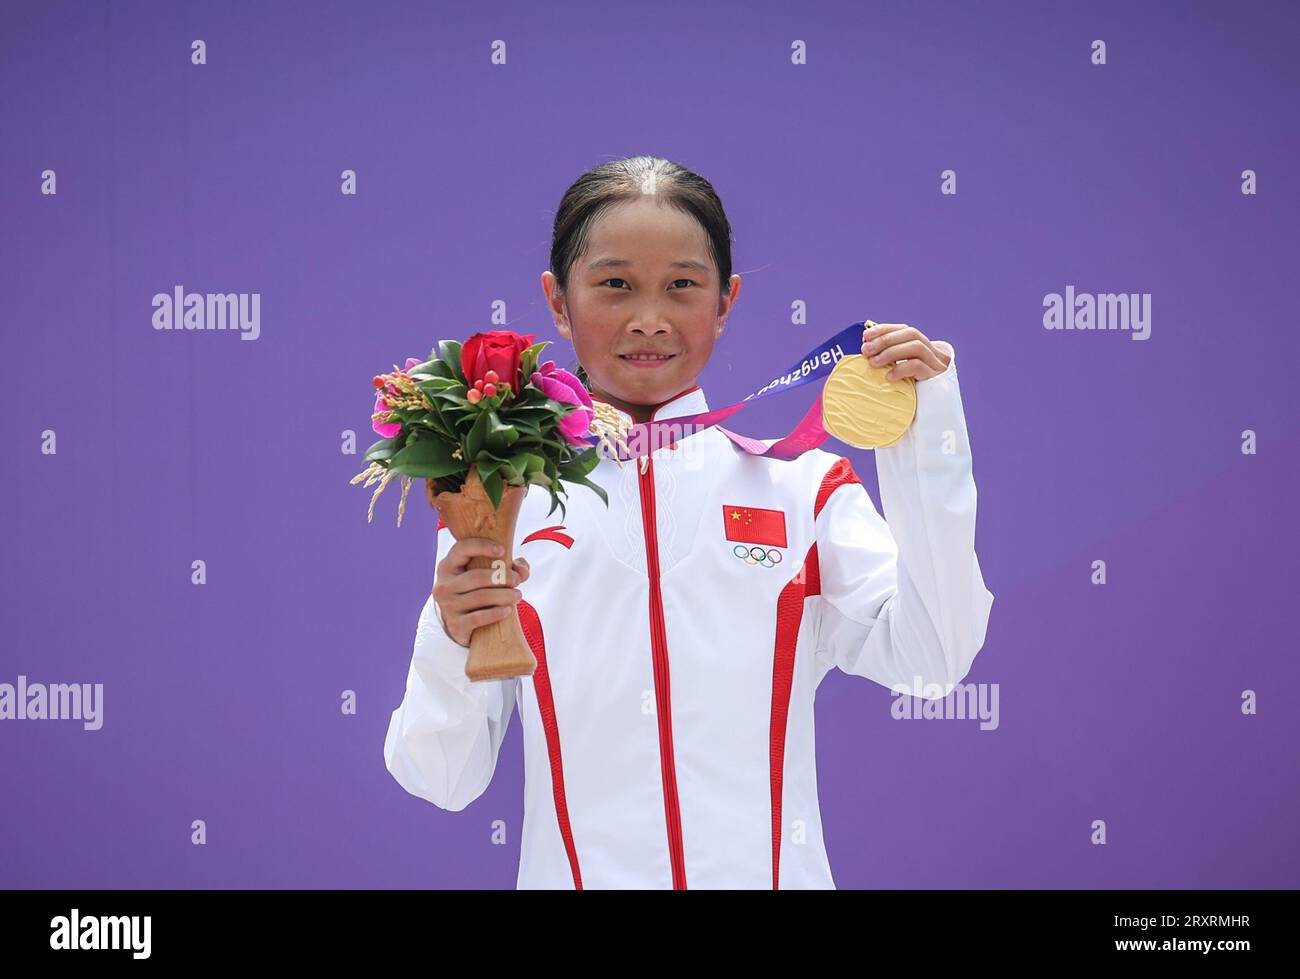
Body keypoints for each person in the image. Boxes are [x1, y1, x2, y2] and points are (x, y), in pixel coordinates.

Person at [383, 155, 994, 889]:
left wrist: (924, 442)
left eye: (682, 284)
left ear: (726, 300)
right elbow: (441, 774)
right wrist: (447, 637)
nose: (650, 318)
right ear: (557, 301)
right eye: (614, 284)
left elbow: (933, 659)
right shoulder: (507, 503)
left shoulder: (804, 491)